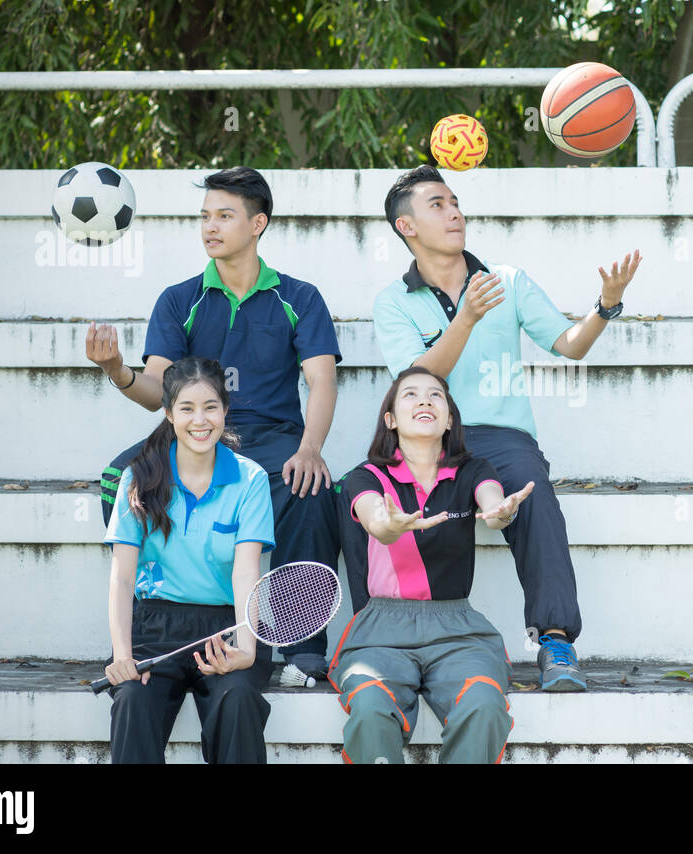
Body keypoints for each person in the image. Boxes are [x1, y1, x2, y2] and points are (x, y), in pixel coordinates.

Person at [372, 165, 642, 691]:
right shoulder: (392, 301)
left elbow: (570, 344)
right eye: (437, 205)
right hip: (426, 439)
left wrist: (606, 305)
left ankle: (557, 644)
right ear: (406, 227)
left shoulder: (507, 280)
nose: (454, 212)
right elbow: (420, 382)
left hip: (500, 437)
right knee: (360, 498)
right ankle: (382, 642)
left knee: (535, 495)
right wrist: (465, 319)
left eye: (456, 202)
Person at [87, 166, 341, 687]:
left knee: (312, 486)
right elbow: (158, 389)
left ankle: (299, 646)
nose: (210, 226)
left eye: (224, 215)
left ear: (258, 224)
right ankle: (148, 626)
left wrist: (311, 447)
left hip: (270, 434)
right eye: (205, 216)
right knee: (119, 478)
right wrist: (117, 371)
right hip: (194, 429)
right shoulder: (179, 299)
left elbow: (322, 380)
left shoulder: (300, 297)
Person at [329, 367, 531, 763]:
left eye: (435, 395)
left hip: (457, 631)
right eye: (410, 395)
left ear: (450, 417)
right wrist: (390, 526)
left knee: (484, 705)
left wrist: (500, 512)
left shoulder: (474, 469)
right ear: (390, 419)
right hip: (381, 633)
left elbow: (492, 503)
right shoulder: (366, 476)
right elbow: (376, 520)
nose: (424, 400)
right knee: (371, 708)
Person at [102, 356, 276, 764]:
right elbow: (122, 579)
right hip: (154, 628)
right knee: (132, 698)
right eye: (187, 408)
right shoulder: (138, 478)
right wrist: (123, 656)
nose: (201, 420)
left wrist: (247, 649)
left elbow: (247, 571)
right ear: (168, 413)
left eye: (211, 407)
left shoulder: (250, 480)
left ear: (225, 410)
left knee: (237, 699)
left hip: (228, 626)